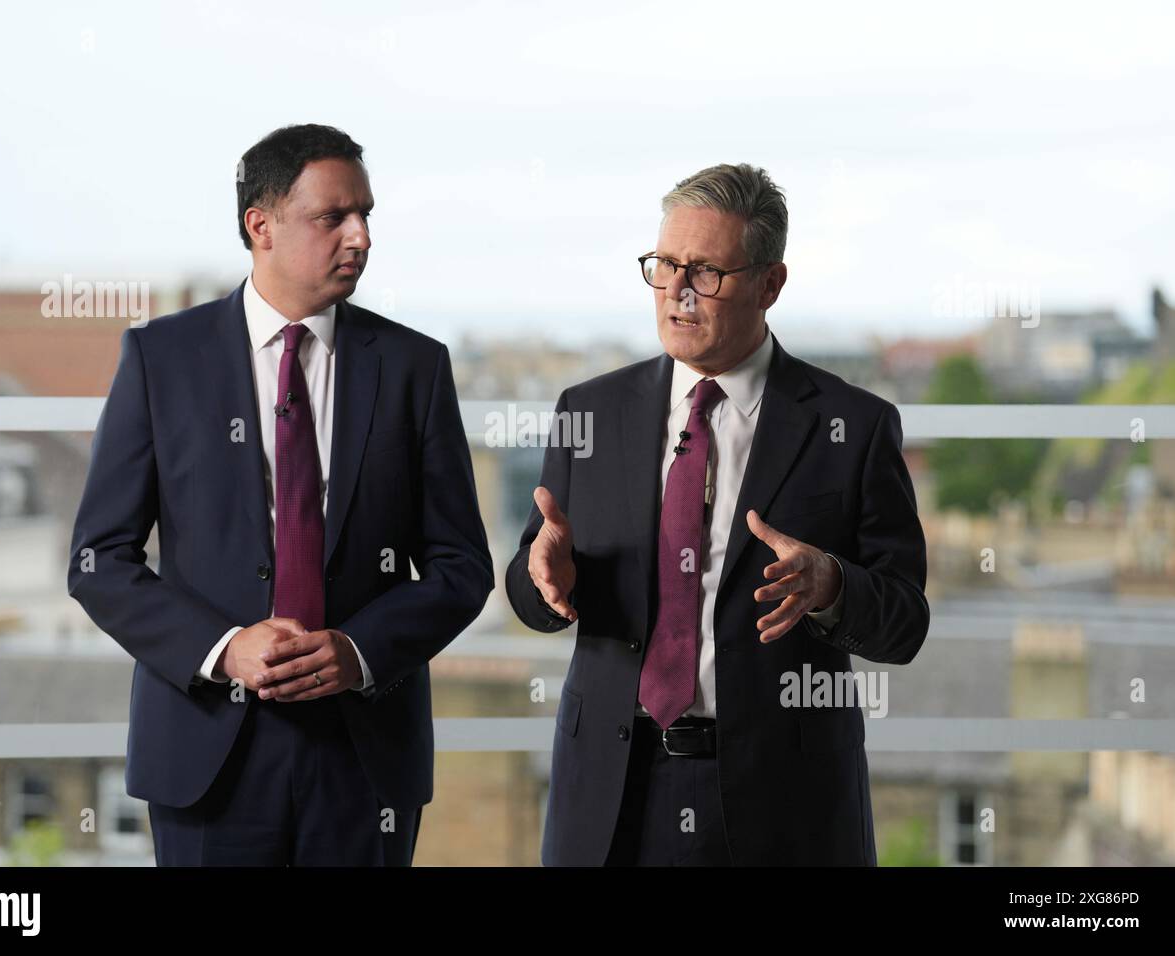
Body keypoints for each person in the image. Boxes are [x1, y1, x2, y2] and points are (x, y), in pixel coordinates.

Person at [69, 123, 493, 865]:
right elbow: (99, 560)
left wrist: (359, 651)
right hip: (207, 755)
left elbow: (462, 567)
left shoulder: (415, 367)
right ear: (258, 226)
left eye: (365, 214)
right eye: (333, 217)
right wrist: (225, 649)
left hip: (364, 760)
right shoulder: (161, 360)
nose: (360, 237)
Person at [507, 162, 929, 865]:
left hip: (783, 805)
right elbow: (532, 591)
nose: (677, 291)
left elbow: (905, 623)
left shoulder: (853, 426)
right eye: (665, 265)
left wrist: (830, 588)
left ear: (771, 284)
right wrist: (543, 579)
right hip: (611, 793)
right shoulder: (589, 411)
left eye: (706, 272)